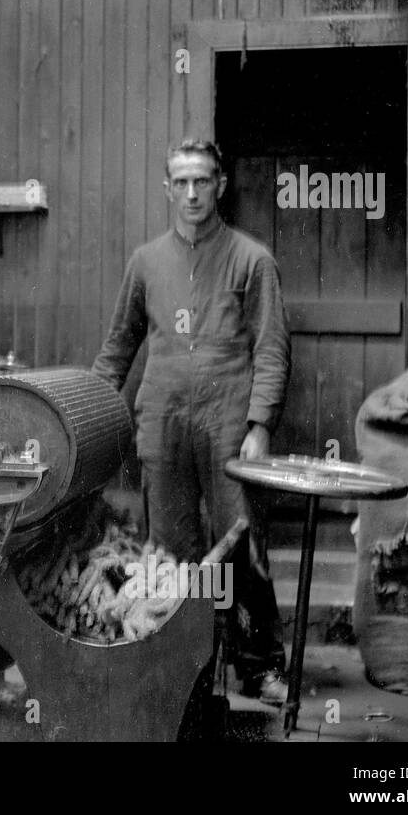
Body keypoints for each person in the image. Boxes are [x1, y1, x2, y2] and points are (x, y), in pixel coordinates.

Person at [91, 138, 290, 704]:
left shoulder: (252, 259)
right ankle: (183, 666)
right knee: (170, 549)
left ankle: (258, 665)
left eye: (202, 180)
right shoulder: (146, 261)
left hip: (229, 417)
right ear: (167, 188)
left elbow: (272, 349)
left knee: (239, 539)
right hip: (164, 419)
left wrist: (260, 425)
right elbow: (119, 347)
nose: (192, 192)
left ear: (220, 184)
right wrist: (86, 408)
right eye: (180, 182)